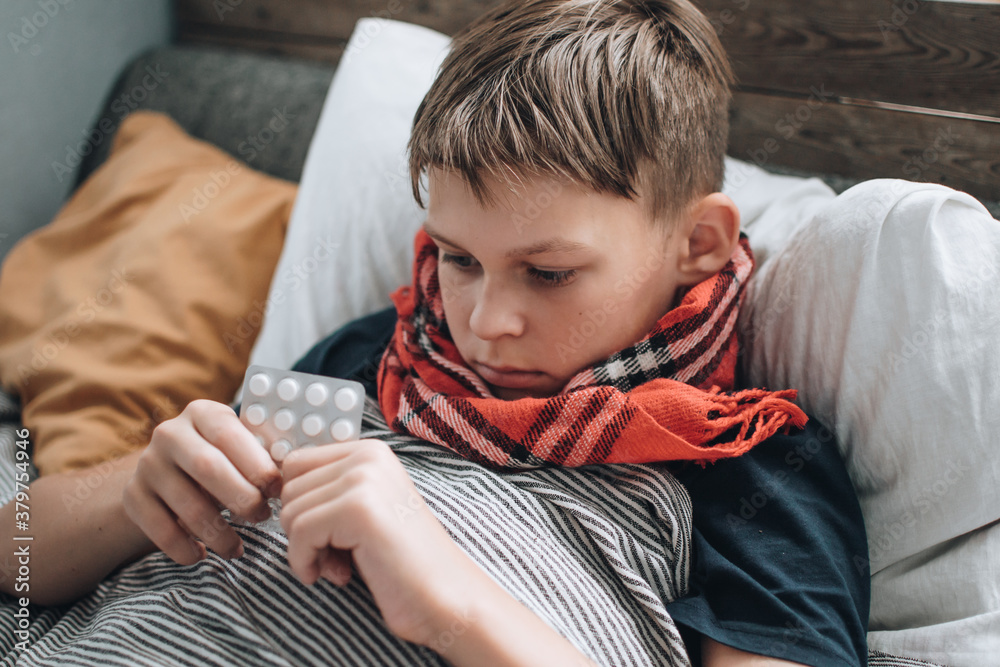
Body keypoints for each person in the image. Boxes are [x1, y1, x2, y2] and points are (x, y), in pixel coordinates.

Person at [0, 1, 868, 665]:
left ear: (697, 243)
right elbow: (18, 559)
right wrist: (135, 492)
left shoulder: (751, 462)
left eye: (549, 272)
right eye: (456, 258)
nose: (485, 324)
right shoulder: (371, 355)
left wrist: (453, 603)